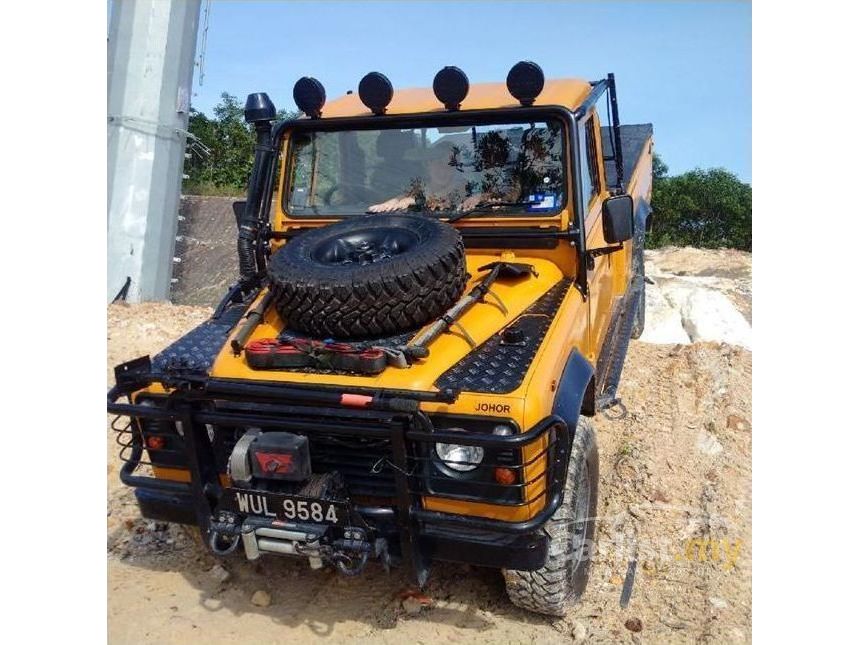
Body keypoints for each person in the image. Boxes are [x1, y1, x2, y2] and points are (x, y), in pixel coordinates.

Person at [367, 139, 488, 213]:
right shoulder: (420, 187)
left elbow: (488, 195)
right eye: (439, 163)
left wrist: (478, 198)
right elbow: (406, 196)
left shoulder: (464, 186)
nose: (443, 170)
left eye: (450, 166)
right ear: (428, 164)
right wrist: (390, 204)